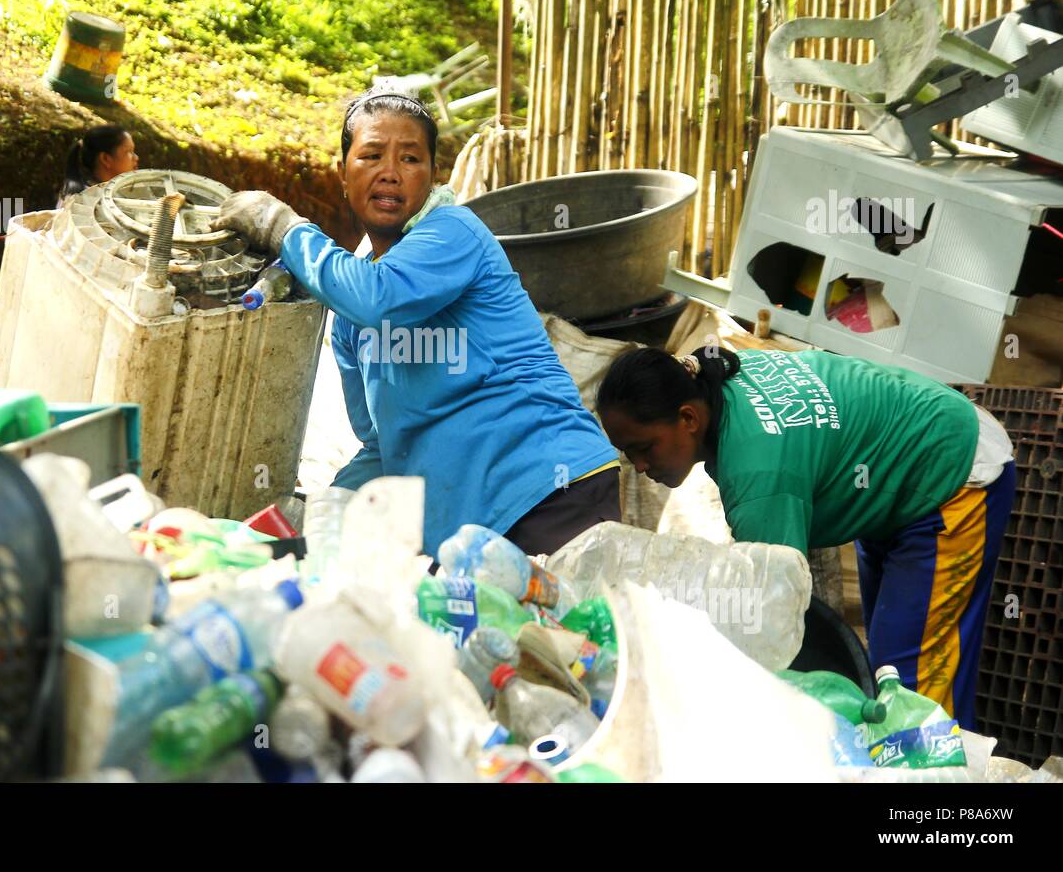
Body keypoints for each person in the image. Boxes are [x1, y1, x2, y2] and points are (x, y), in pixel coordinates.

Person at [211, 89, 620, 557]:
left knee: (563, 629)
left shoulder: (452, 233)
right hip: (473, 533)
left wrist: (280, 226)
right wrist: (321, 516)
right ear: (343, 173)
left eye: (410, 158)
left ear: (431, 177)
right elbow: (383, 444)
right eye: (370, 155)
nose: (390, 172)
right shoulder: (351, 308)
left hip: (550, 492)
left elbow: (378, 297)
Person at [594, 344, 1015, 728]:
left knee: (907, 690)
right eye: (629, 454)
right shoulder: (713, 375)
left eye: (645, 447)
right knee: (890, 663)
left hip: (949, 472)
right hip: (888, 474)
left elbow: (772, 621)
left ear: (688, 418)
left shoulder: (759, 475)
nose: (641, 466)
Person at [57, 125, 137, 205]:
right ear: (105, 159)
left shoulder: (111, 194)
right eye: (129, 151)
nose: (136, 158)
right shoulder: (80, 201)